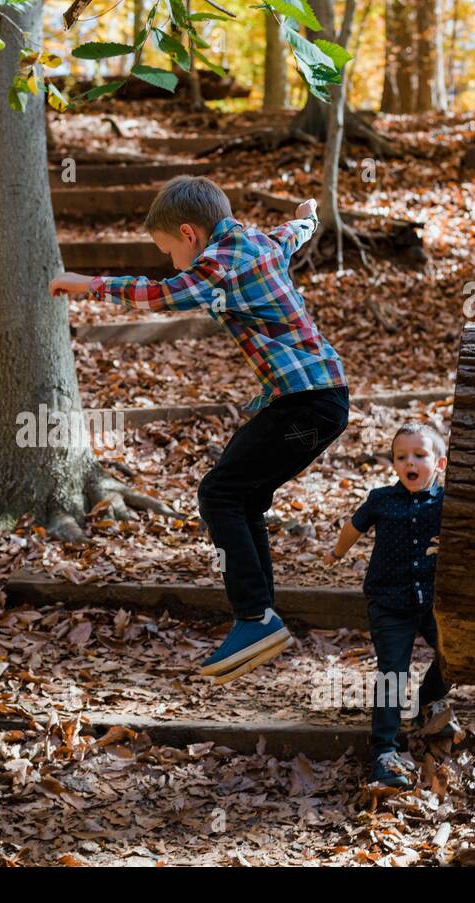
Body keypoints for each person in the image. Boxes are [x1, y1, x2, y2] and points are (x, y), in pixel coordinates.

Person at [49, 176, 349, 684]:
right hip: (318, 405)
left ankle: (255, 618)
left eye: (169, 250)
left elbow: (166, 295)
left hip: (307, 408)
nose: (172, 262)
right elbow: (291, 233)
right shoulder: (257, 241)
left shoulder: (219, 262)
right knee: (243, 497)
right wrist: (309, 215)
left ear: (189, 234)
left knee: (219, 494)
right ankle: (261, 618)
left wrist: (90, 285)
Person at [324, 423, 459, 789]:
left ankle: (427, 699)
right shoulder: (381, 499)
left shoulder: (449, 504)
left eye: (419, 455)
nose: (409, 462)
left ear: (440, 463)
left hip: (434, 602)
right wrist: (337, 552)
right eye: (401, 457)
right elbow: (355, 527)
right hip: (389, 601)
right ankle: (385, 750)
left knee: (454, 657)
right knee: (392, 674)